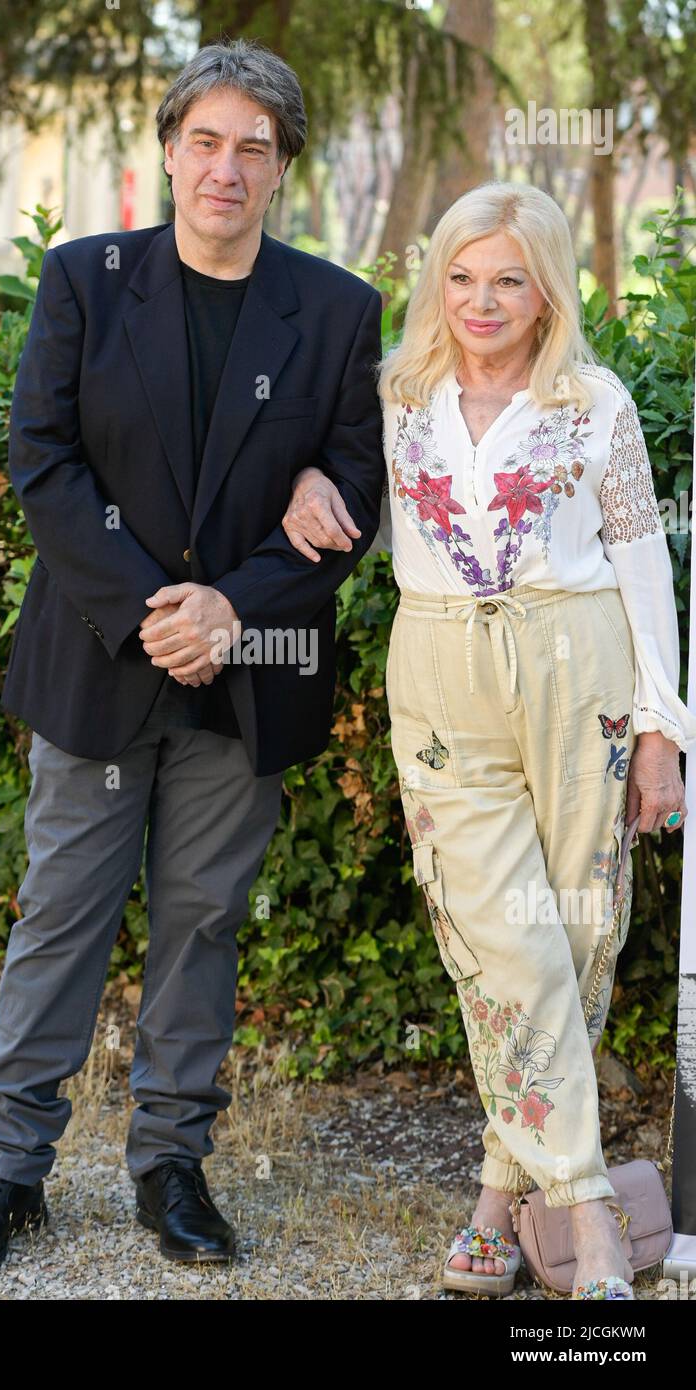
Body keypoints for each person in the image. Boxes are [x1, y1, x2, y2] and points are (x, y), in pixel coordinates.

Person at [0, 37, 384, 1272]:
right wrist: (153, 613)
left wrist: (231, 608)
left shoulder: (338, 310)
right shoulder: (84, 280)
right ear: (169, 149)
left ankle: (171, 1167)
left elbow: (352, 502)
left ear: (283, 165)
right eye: (205, 140)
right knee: (61, 915)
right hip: (96, 663)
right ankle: (5, 1172)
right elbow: (44, 461)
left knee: (201, 921)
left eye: (253, 146)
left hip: (248, 677)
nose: (225, 167)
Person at [280, 181, 694, 1299]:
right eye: (462, 276)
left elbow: (646, 568)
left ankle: (498, 1197)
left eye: (509, 277)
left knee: (573, 937)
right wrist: (312, 477)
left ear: (546, 285)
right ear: (437, 282)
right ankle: (591, 1211)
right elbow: (328, 482)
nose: (483, 299)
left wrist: (664, 729)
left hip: (582, 674)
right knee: (498, 942)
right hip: (442, 671)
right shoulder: (395, 393)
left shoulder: (594, 401)